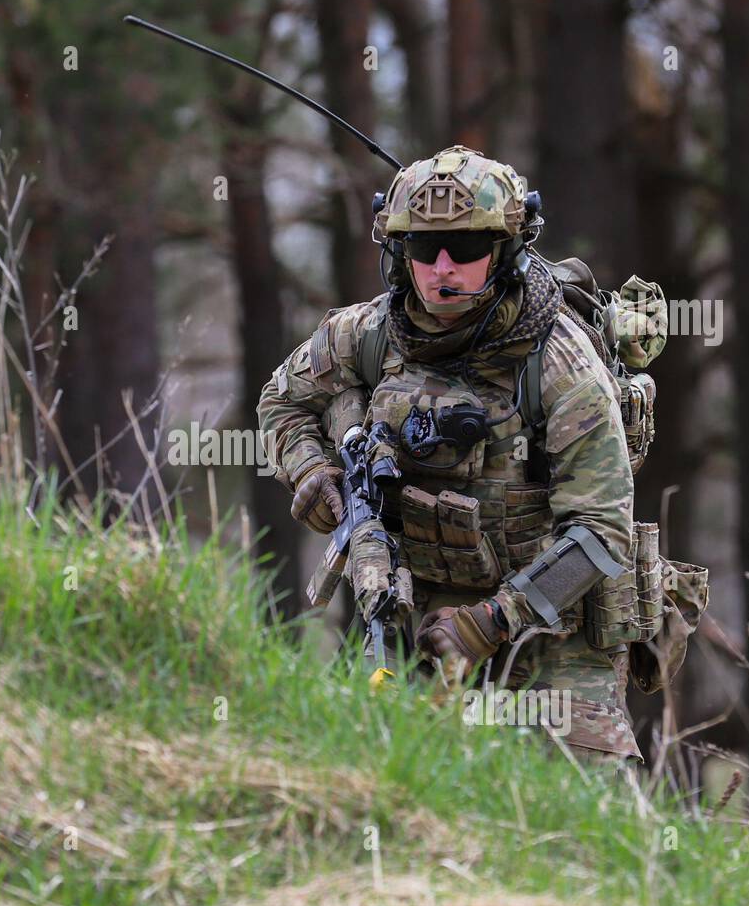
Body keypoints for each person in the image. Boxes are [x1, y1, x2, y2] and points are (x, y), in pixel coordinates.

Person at [257, 145, 655, 763]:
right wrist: (310, 469)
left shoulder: (560, 364)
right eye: (422, 248)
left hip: (554, 627)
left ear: (503, 252)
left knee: (589, 822)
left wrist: (493, 620)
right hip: (419, 611)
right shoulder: (368, 334)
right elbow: (282, 401)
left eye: (466, 248)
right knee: (402, 797)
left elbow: (603, 533)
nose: (443, 267)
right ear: (397, 251)